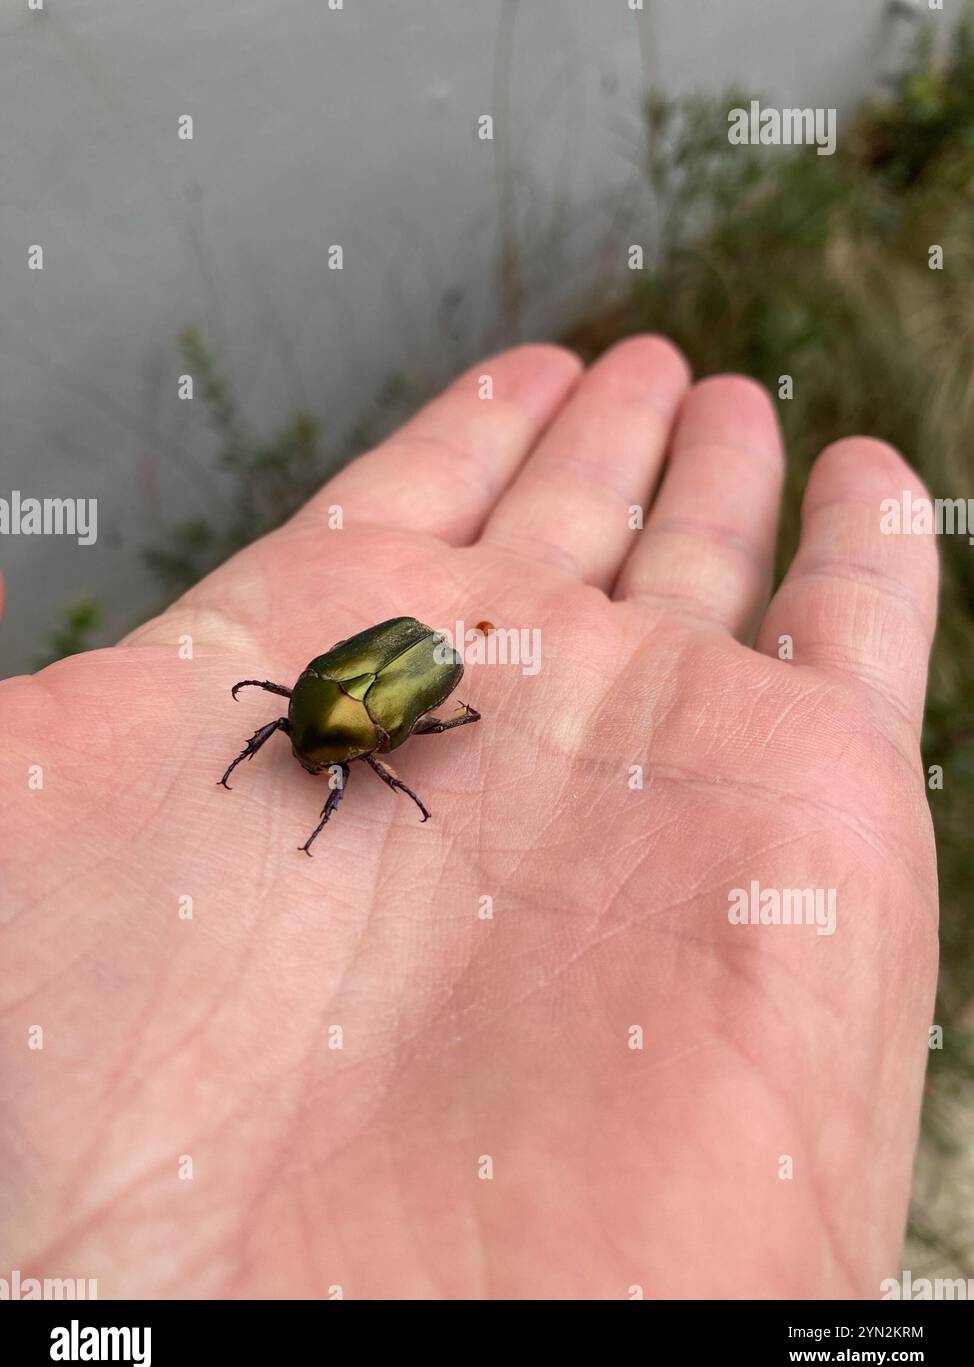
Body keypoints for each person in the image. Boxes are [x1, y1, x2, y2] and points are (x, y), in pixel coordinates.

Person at [1, 335, 938, 1298]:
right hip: (378, 672)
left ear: (329, 738)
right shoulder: (315, 709)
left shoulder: (328, 718)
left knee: (404, 747)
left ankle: (430, 728)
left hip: (411, 669)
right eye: (301, 743)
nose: (304, 754)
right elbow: (296, 721)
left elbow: (321, 732)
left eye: (316, 753)